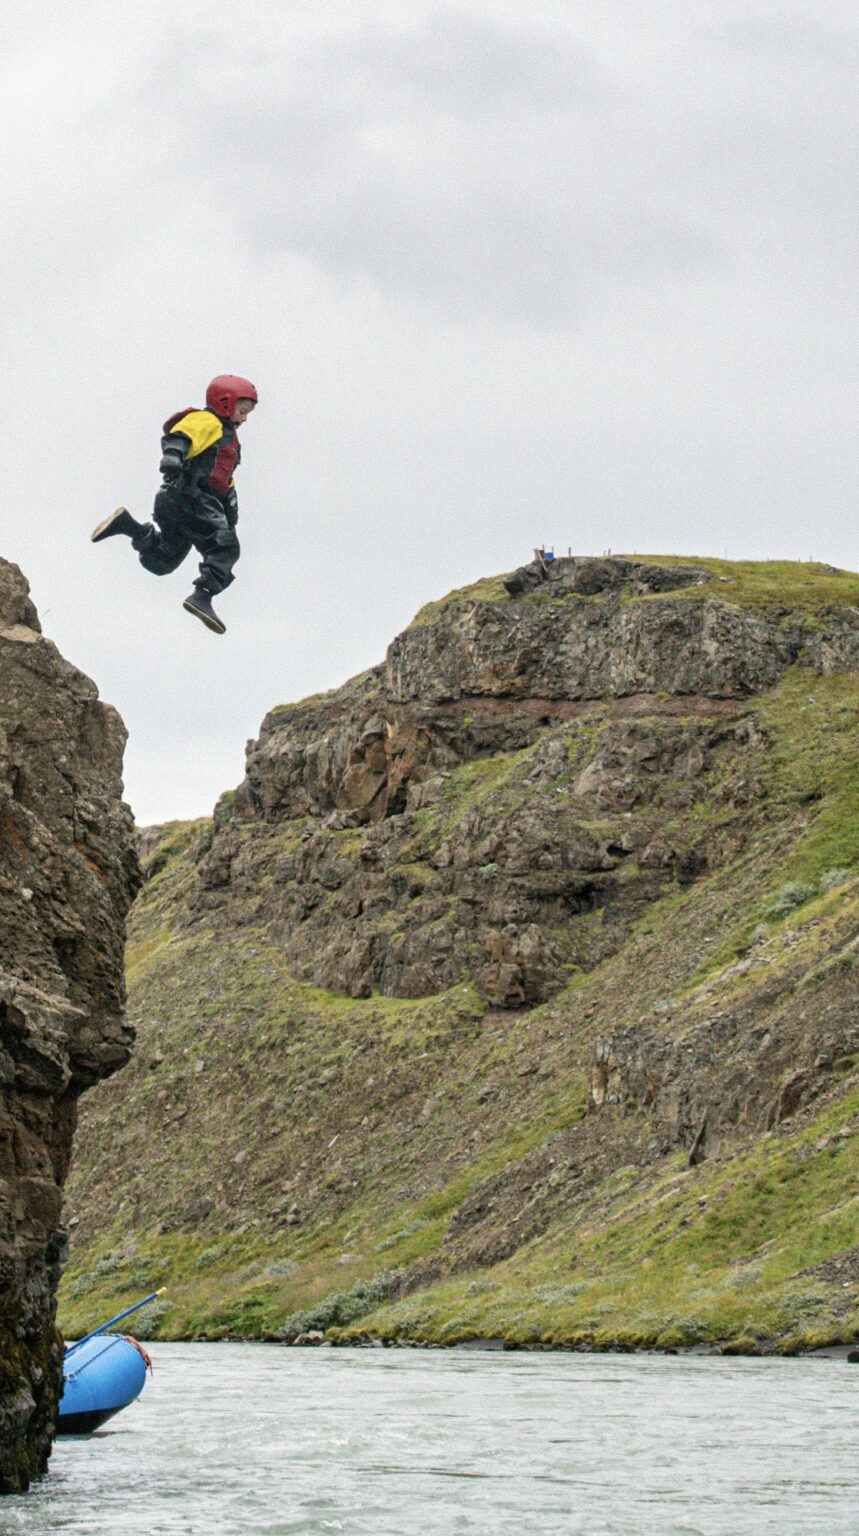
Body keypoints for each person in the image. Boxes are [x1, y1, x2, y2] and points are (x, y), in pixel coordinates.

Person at [91, 374, 258, 635]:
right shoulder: (209, 421)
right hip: (192, 497)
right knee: (226, 547)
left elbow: (225, 478)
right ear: (225, 403)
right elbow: (181, 436)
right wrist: (172, 456)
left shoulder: (229, 440)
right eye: (242, 410)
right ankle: (202, 596)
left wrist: (231, 507)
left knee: (163, 560)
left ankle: (130, 527)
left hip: (176, 503)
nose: (244, 418)